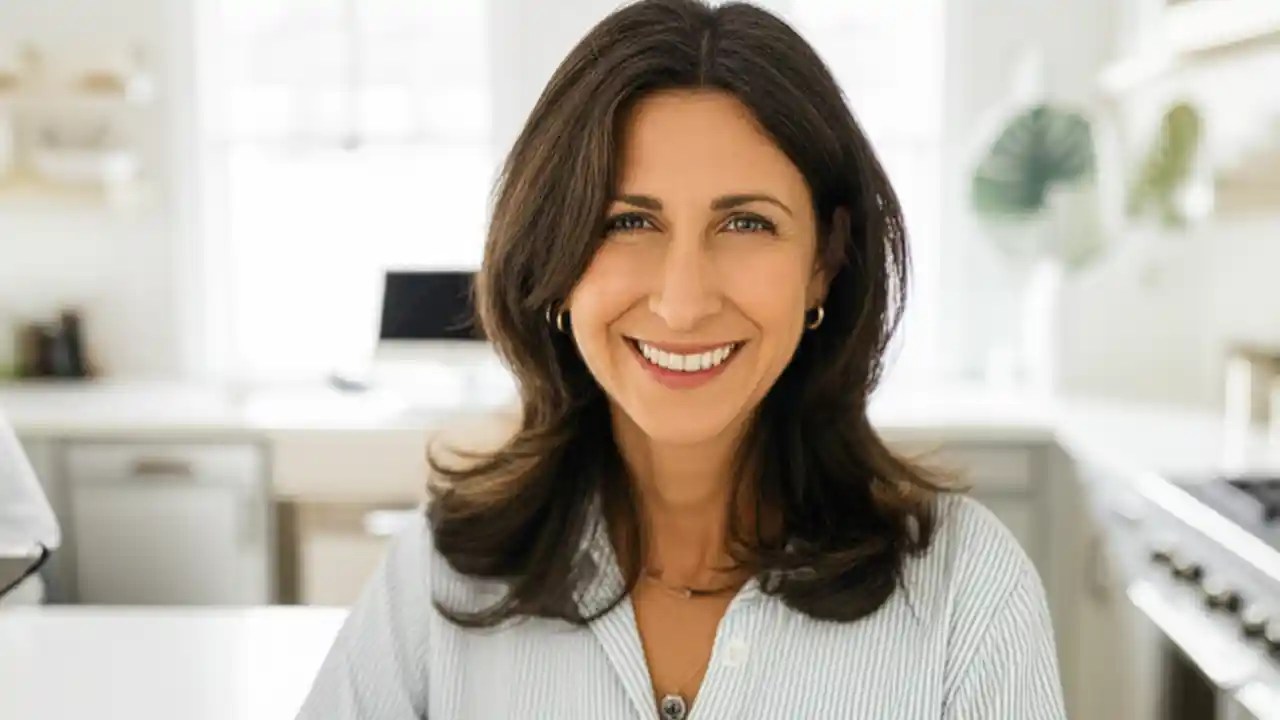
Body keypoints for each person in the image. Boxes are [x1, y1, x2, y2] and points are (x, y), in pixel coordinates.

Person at [297, 1, 1067, 717]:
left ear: (824, 262)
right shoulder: (438, 580)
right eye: (629, 221)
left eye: (745, 224)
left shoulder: (968, 591)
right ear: (555, 260)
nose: (683, 302)